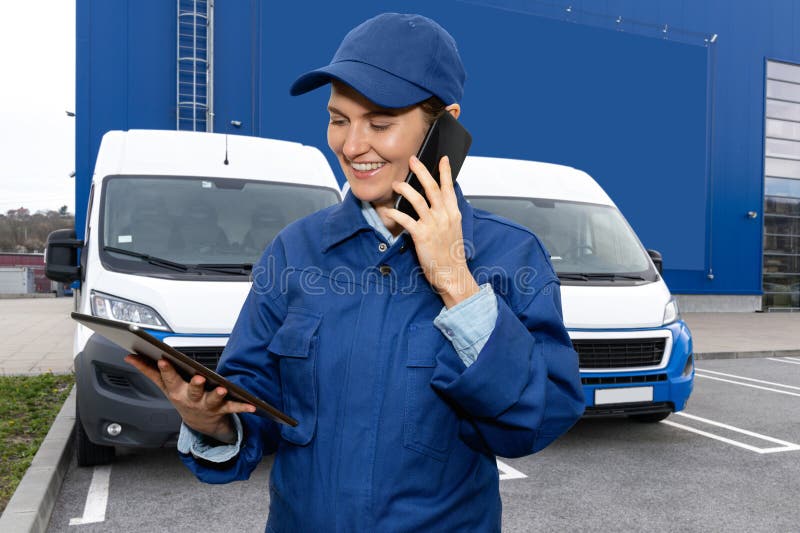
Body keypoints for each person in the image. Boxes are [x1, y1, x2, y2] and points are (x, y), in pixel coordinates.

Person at [126, 12, 584, 532]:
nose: (350, 144)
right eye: (339, 119)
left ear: (445, 126)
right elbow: (253, 398)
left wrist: (456, 282)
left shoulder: (510, 256)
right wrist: (210, 420)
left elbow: (535, 420)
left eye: (380, 123)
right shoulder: (294, 252)